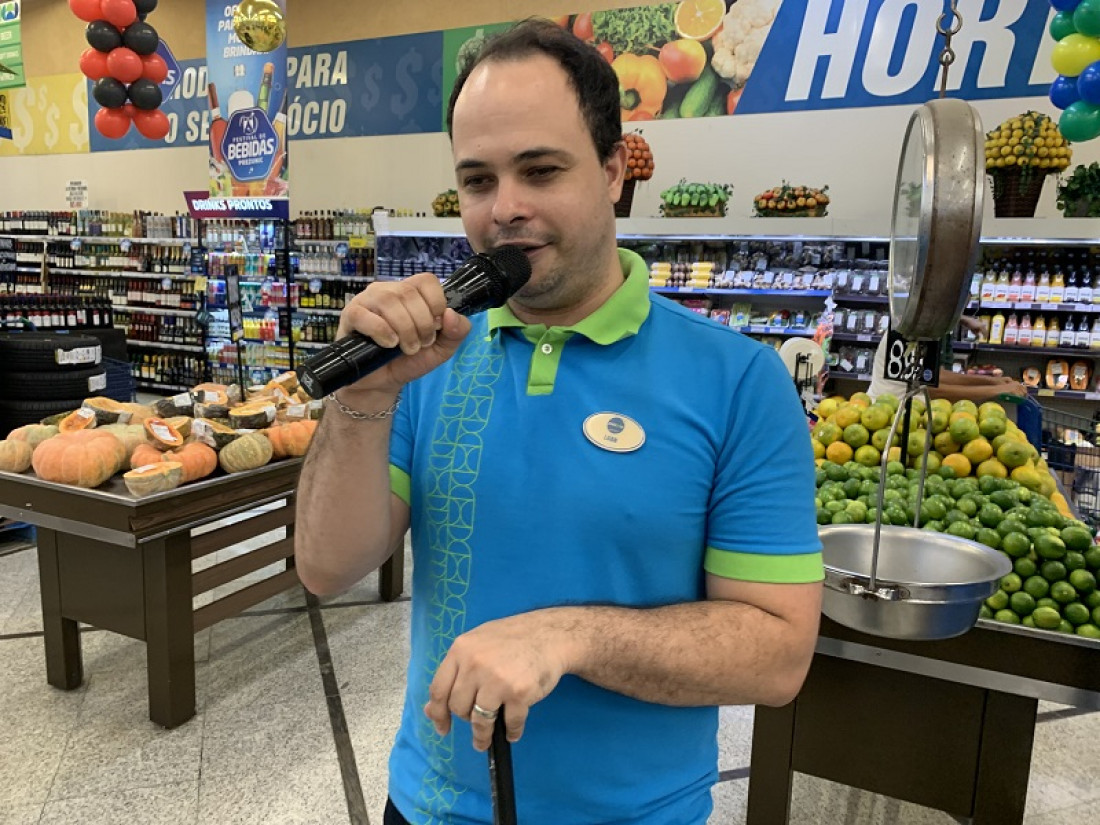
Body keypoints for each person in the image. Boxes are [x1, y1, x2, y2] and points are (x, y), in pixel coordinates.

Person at [295, 19, 823, 825]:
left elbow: (778, 653)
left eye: (540, 170)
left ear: (614, 169)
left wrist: (565, 636)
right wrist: (363, 396)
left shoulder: (738, 381)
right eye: (477, 181)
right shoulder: (429, 365)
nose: (505, 209)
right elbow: (328, 567)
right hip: (428, 804)